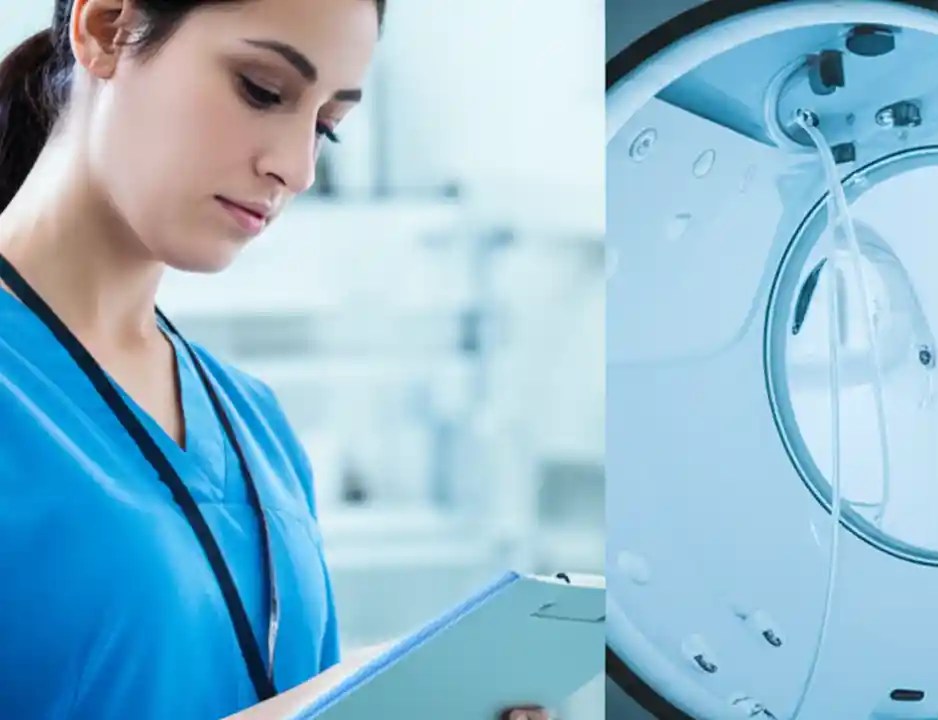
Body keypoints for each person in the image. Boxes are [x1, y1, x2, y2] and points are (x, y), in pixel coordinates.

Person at [0, 1, 550, 719]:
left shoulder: (256, 427)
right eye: (261, 90)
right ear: (108, 28)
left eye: (327, 128)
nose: (295, 168)